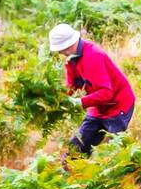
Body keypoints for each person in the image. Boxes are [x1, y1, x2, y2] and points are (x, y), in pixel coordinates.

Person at [48, 23, 136, 156]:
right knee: (76, 148)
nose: (60, 52)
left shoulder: (94, 55)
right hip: (97, 107)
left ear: (69, 44)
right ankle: (71, 174)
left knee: (115, 152)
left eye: (61, 49)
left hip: (118, 105)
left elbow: (106, 93)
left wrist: (79, 102)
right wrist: (58, 100)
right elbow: (71, 86)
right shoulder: (70, 59)